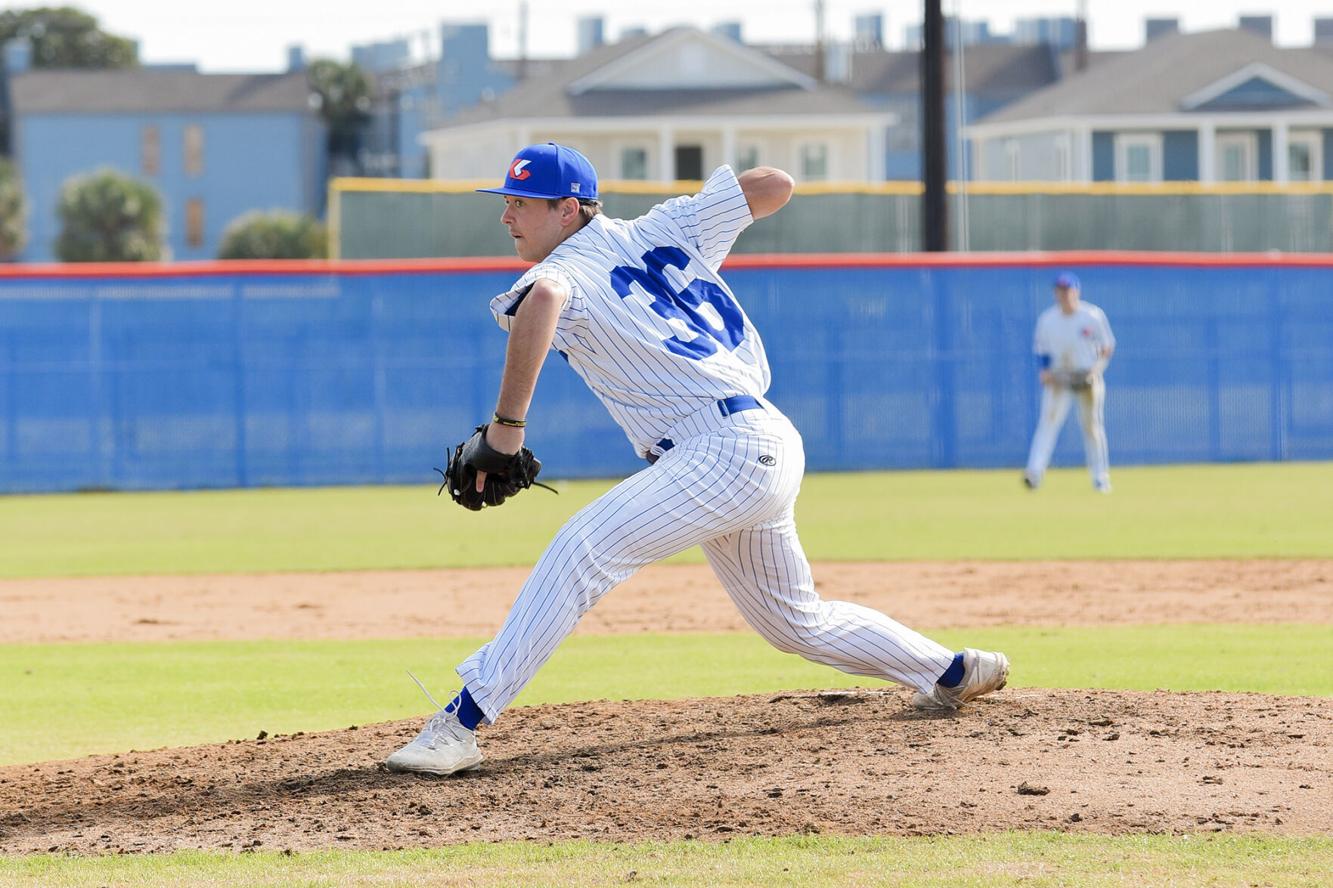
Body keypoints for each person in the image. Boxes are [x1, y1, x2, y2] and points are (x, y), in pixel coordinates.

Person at [385, 142, 1010, 776]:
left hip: (718, 446)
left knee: (582, 550)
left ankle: (460, 725)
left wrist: (506, 433)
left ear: (568, 210)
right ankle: (951, 669)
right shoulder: (666, 228)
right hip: (759, 440)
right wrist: (712, 214)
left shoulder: (563, 267)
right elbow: (777, 183)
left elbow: (543, 301)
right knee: (795, 622)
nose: (506, 215)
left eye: (519, 202)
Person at [1023, 272, 1116, 493]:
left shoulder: (1092, 315)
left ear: (1077, 291)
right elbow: (1041, 349)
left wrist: (1097, 369)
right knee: (1048, 423)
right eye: (1060, 290)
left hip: (1087, 377)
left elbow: (1107, 346)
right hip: (1060, 378)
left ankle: (1100, 478)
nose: (1064, 294)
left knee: (1092, 427)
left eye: (1068, 289)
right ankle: (1034, 473)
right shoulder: (1048, 319)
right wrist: (1044, 371)